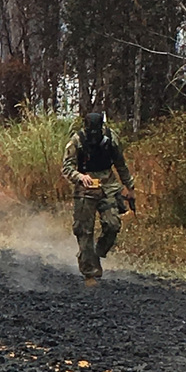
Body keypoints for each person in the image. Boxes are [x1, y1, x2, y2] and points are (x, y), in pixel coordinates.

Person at [61, 111, 135, 284]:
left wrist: (130, 187)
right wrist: (80, 176)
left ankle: (97, 252)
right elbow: (66, 167)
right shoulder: (76, 141)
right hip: (85, 188)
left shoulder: (111, 138)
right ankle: (90, 271)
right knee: (83, 229)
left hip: (107, 186)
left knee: (113, 224)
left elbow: (120, 164)